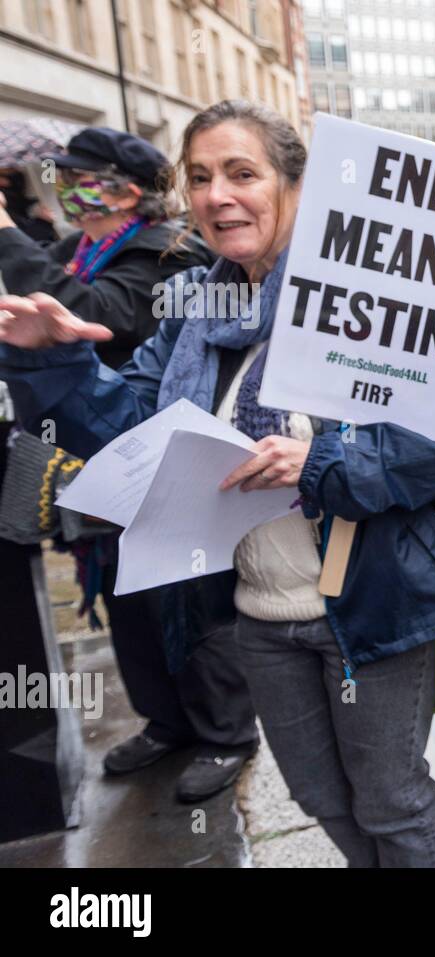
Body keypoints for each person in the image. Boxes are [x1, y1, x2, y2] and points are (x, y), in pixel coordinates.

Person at [0, 100, 435, 866]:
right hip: (258, 614)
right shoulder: (196, 305)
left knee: (390, 801)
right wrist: (52, 358)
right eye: (199, 177)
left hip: (370, 602)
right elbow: (130, 423)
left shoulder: (372, 287)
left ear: (294, 183)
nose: (217, 194)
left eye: (241, 172)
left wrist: (319, 464)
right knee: (322, 796)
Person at [0, 127, 260, 804]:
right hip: (101, 446)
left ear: (127, 191)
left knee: (194, 607)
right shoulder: (76, 251)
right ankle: (166, 719)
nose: (70, 190)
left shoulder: (169, 256)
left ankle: (227, 732)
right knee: (128, 602)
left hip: (174, 464)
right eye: (200, 178)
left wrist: (6, 235)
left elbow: (102, 315)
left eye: (85, 177)